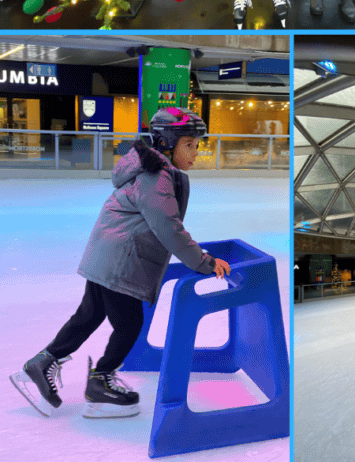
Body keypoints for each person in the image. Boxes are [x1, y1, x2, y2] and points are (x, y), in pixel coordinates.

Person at [10, 108, 231, 419]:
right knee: (129, 325)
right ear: (169, 143)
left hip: (107, 255)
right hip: (121, 260)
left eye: (197, 145)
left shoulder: (150, 168)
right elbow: (168, 227)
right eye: (189, 144)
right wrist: (204, 262)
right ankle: (101, 382)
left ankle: (43, 362)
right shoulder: (157, 176)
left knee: (88, 317)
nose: (196, 153)